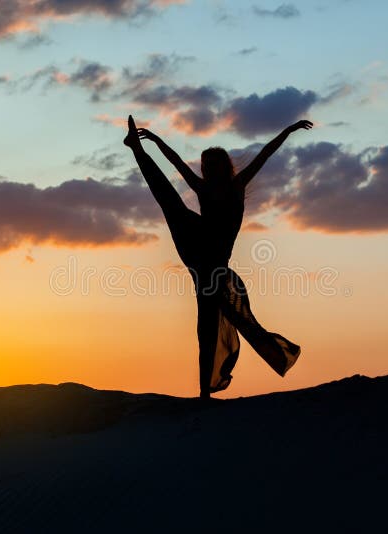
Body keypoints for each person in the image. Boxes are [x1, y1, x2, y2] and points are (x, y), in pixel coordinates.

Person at [124, 115, 311, 398]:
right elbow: (175, 164)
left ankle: (206, 391)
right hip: (200, 252)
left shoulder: (237, 186)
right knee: (170, 202)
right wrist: (155, 142)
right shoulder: (203, 187)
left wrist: (289, 130)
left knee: (212, 327)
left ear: (221, 167)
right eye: (204, 166)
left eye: (210, 165)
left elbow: (265, 153)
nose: (205, 170)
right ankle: (136, 148)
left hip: (213, 268)